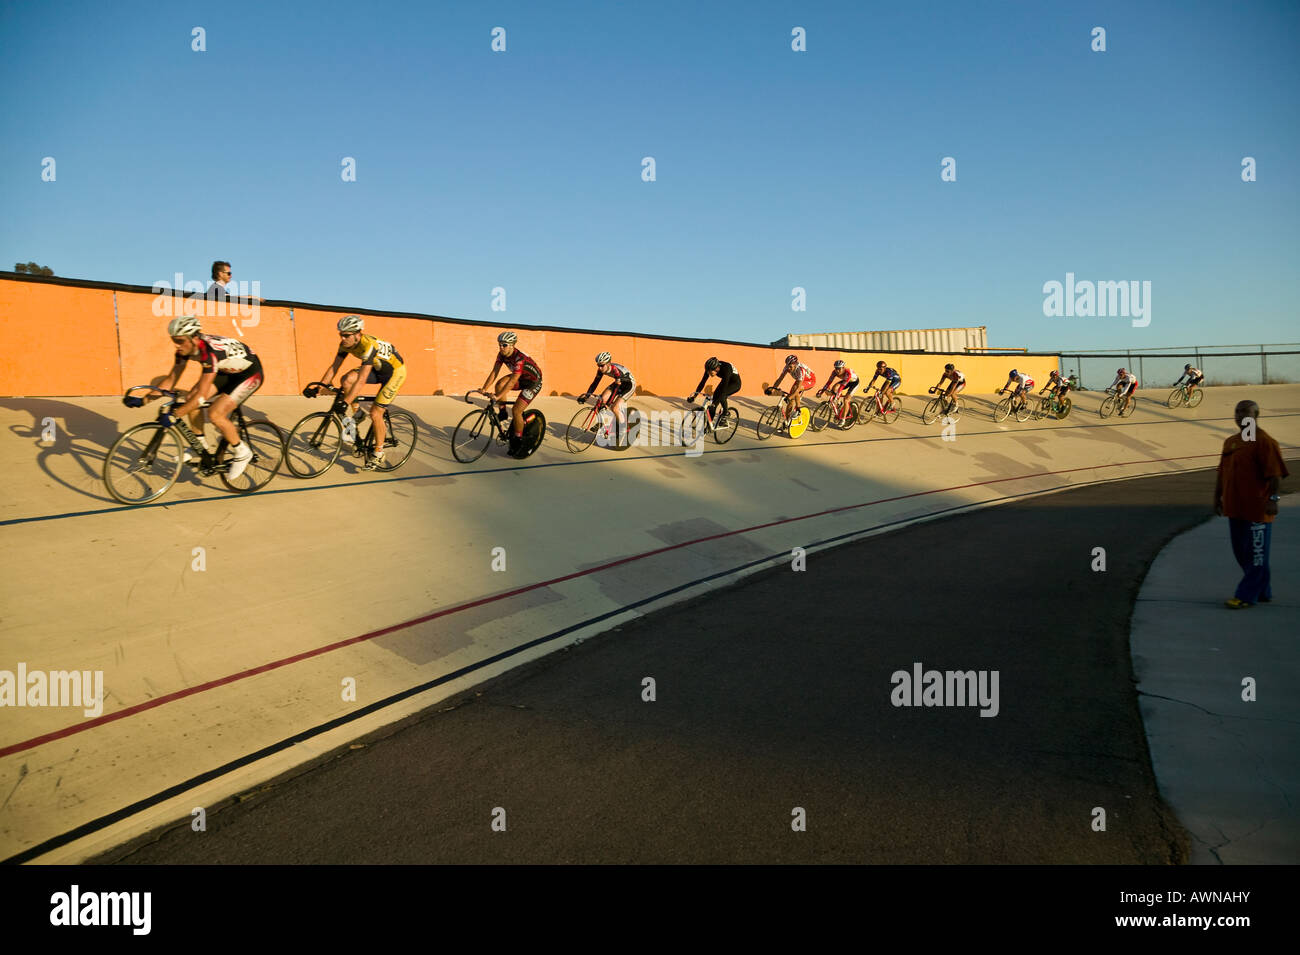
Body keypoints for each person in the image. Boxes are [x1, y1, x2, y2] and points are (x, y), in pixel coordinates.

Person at [128, 316, 262, 479]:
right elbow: (171, 380)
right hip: (226, 370)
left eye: (180, 341)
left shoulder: (209, 353)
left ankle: (242, 452)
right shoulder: (183, 351)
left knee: (215, 414)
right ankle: (200, 443)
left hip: (249, 373)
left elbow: (201, 397)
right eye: (173, 340)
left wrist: (174, 416)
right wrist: (144, 400)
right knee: (190, 398)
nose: (176, 345)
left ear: (194, 338)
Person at [1215, 400, 1289, 608]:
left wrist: (1273, 500)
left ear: (1256, 415)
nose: (1240, 415)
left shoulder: (1265, 442)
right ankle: (1263, 590)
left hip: (1258, 509)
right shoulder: (1231, 442)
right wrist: (1217, 497)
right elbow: (1222, 473)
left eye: (1245, 412)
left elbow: (1274, 475)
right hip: (1234, 508)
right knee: (1242, 553)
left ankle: (1246, 596)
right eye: (1237, 411)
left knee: (1257, 554)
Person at [308, 315, 406, 470]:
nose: (343, 338)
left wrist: (345, 402)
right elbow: (334, 367)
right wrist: (319, 387)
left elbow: (361, 380)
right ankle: (358, 413)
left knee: (375, 413)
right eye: (341, 334)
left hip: (394, 372)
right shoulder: (345, 345)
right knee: (346, 380)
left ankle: (379, 453)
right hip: (377, 367)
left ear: (358, 334)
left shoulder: (369, 346)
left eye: (346, 335)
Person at [482, 331, 543, 457]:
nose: (501, 347)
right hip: (521, 378)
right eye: (499, 344)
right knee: (499, 384)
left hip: (533, 383)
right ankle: (503, 413)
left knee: (516, 411)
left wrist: (498, 397)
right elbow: (495, 371)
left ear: (512, 345)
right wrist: (483, 388)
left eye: (504, 345)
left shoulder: (520, 359)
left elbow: (511, 382)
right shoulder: (501, 355)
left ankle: (518, 438)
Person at [579, 353, 636, 444]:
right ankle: (602, 422)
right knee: (601, 399)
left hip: (629, 385)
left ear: (608, 364)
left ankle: (623, 427)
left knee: (614, 407)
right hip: (619, 382)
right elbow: (595, 383)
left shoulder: (616, 371)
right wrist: (586, 396)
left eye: (601, 365)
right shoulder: (601, 370)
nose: (600, 368)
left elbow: (616, 390)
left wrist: (608, 403)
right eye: (598, 365)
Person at [688, 357, 742, 425]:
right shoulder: (710, 367)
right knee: (714, 402)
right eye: (707, 372)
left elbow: (723, 389)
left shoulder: (726, 368)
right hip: (725, 381)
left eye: (710, 372)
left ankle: (726, 414)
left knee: (722, 396)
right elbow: (702, 382)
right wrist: (694, 396)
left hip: (735, 383)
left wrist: (714, 403)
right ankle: (709, 425)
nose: (709, 374)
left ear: (716, 368)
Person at [766, 355, 815, 426]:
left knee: (794, 391)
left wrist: (790, 396)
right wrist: (773, 389)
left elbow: (798, 388)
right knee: (790, 401)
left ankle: (798, 410)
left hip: (810, 380)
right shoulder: (787, 367)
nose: (789, 368)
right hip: (799, 381)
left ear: (795, 364)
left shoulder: (800, 370)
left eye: (790, 367)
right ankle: (787, 421)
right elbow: (780, 379)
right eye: (787, 366)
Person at [817, 360, 859, 424]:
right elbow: (829, 382)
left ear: (843, 368)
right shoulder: (834, 372)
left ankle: (843, 419)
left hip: (854, 383)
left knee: (846, 400)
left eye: (839, 369)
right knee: (835, 388)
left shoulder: (848, 372)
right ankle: (839, 403)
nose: (837, 371)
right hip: (846, 381)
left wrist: (837, 396)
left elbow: (842, 387)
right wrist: (822, 391)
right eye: (836, 368)